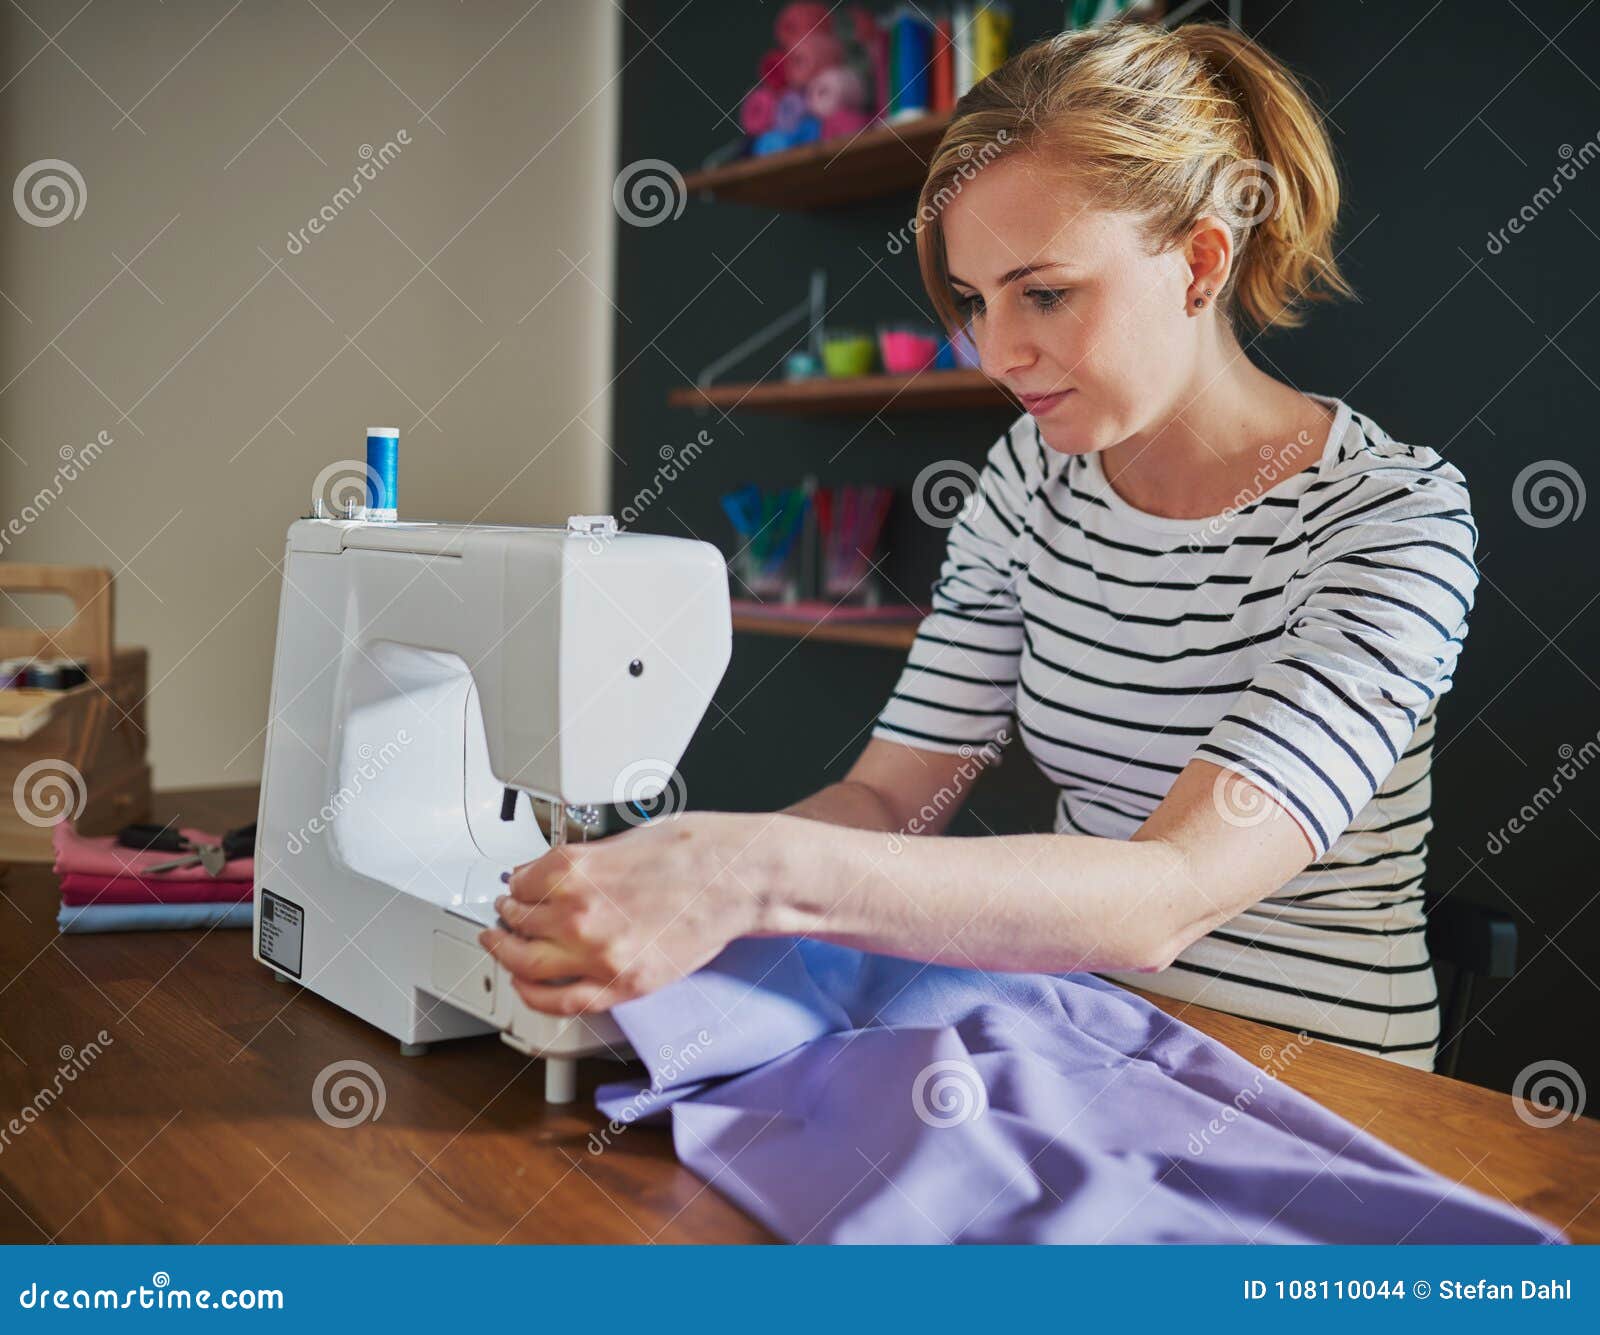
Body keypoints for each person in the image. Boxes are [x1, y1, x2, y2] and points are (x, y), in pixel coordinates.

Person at [480, 21, 1477, 1070]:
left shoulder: (1390, 519)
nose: (997, 350)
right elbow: (888, 800)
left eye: (1044, 292)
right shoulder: (1030, 479)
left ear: (1199, 259)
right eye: (973, 300)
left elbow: (1166, 896)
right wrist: (681, 881)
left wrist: (749, 872)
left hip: (1328, 1096)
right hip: (1093, 1043)